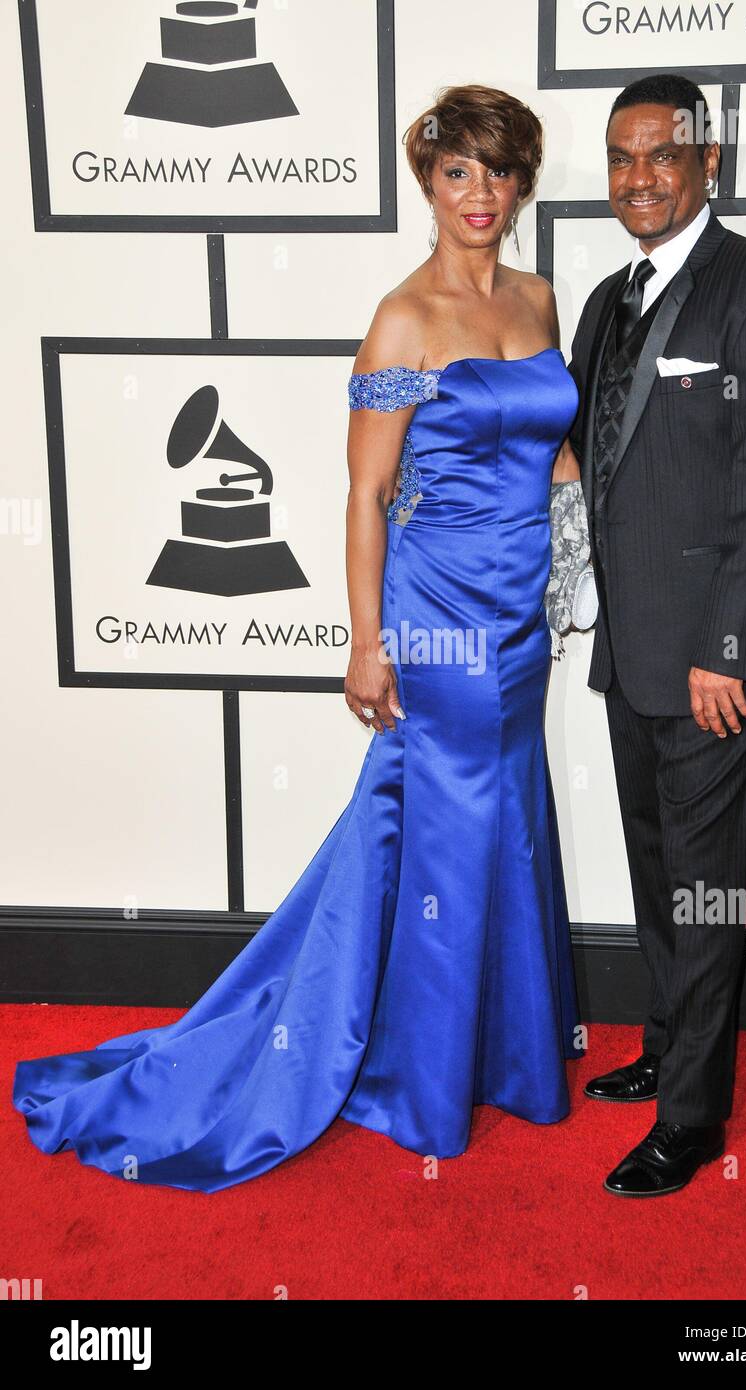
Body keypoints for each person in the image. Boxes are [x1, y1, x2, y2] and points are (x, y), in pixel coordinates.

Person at [12, 85, 594, 1193]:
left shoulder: (537, 296)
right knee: (447, 833)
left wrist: (573, 560)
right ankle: (425, 1081)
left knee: (501, 823)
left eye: (499, 170)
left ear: (521, 182)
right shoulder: (402, 318)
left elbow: (548, 444)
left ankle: (508, 1058)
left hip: (518, 616)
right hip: (436, 619)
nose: (480, 193)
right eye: (457, 171)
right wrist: (365, 640)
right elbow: (364, 493)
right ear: (426, 182)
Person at [567, 73, 746, 1196]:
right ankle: (669, 1048)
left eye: (660, 157)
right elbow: (587, 462)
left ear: (705, 163)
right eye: (620, 158)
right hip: (629, 655)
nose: (637, 177)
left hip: (710, 663)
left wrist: (726, 646)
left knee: (704, 887)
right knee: (653, 871)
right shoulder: (602, 300)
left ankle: (691, 1119)